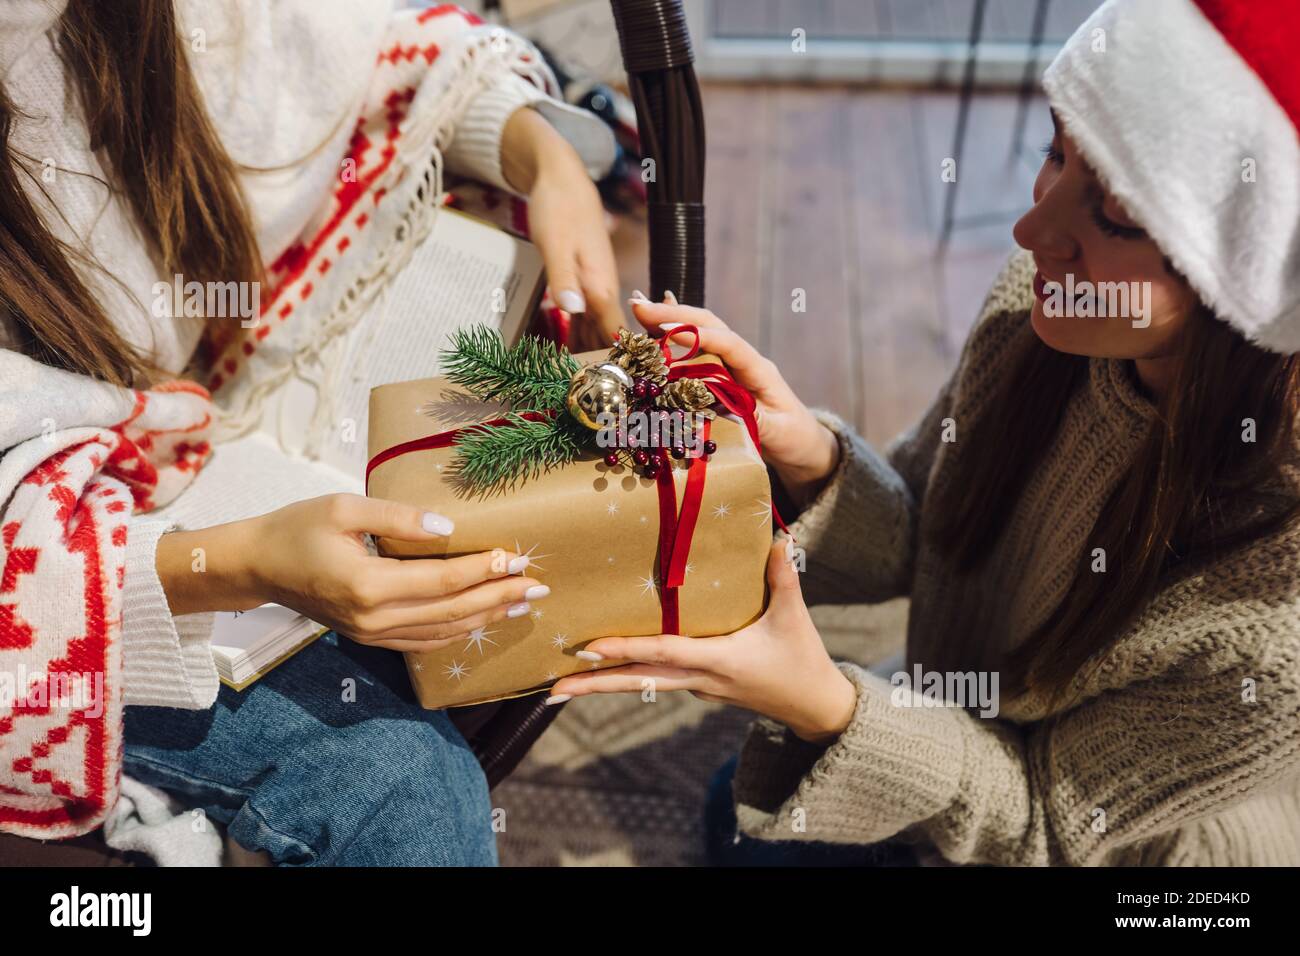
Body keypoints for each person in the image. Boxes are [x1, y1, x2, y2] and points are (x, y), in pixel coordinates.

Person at [550, 0, 1300, 866]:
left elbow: (1049, 821)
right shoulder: (1043, 308)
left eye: (1118, 216)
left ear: (1247, 284)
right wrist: (812, 457)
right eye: (1055, 152)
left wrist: (832, 708)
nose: (1031, 232)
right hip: (973, 709)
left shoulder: (1273, 630)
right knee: (738, 814)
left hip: (1127, 858)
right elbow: (932, 525)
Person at [0, 0, 617, 865]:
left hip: (169, 454)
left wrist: (549, 161)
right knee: (401, 785)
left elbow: (377, 60)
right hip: (46, 614)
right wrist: (235, 565)